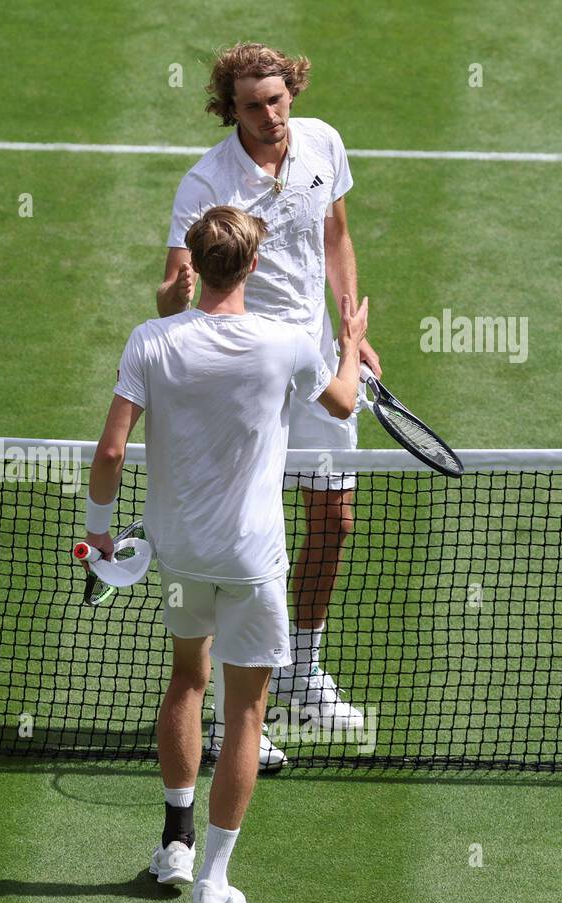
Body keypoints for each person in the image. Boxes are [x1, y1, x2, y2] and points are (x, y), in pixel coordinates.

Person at [86, 204, 365, 903]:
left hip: (178, 553)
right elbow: (342, 403)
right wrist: (351, 343)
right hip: (251, 562)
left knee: (187, 677)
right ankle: (212, 881)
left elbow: (111, 452)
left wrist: (98, 536)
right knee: (245, 710)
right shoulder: (287, 343)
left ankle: (173, 839)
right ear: (253, 265)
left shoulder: (151, 340)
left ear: (194, 266)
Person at [157, 43, 378, 768]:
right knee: (244, 547)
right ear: (231, 108)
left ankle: (300, 675)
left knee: (334, 520)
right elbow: (175, 281)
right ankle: (227, 716)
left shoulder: (323, 143)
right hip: (247, 377)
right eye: (253, 105)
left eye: (278, 98)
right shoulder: (206, 182)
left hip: (314, 362)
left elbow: (335, 235)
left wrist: (352, 334)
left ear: (293, 92)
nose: (270, 114)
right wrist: (172, 301)